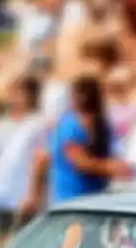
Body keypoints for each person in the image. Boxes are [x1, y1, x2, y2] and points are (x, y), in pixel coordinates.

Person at [29, 74, 125, 212]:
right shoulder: (70, 125)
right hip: (71, 201)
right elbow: (79, 161)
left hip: (97, 199)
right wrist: (110, 167)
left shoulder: (102, 125)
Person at [0, 75, 45, 248]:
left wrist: (33, 193)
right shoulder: (4, 124)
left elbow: (40, 159)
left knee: (18, 243)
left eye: (19, 93)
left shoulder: (37, 125)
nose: (13, 98)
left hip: (20, 193)